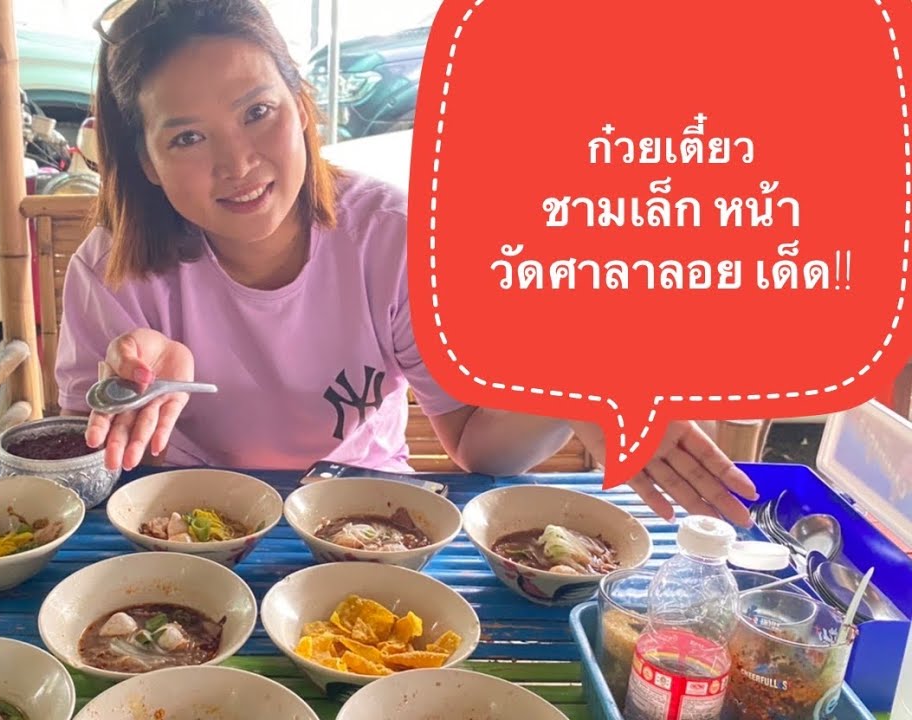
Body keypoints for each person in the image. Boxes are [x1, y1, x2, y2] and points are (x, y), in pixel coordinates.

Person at [55, 0, 758, 527]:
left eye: (257, 111)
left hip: (360, 527)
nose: (237, 162)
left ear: (302, 107)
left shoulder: (394, 239)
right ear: (144, 160)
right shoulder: (112, 270)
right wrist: (130, 399)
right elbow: (81, 477)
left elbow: (476, 448)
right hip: (182, 535)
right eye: (185, 138)